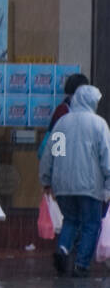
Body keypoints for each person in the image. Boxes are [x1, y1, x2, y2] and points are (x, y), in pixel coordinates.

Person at [40, 84, 110, 277]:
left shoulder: (62, 123)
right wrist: (108, 184)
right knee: (90, 224)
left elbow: (53, 153)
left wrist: (46, 179)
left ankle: (63, 249)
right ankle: (81, 264)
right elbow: (106, 156)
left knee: (70, 220)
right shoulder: (99, 124)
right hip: (89, 185)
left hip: (62, 185)